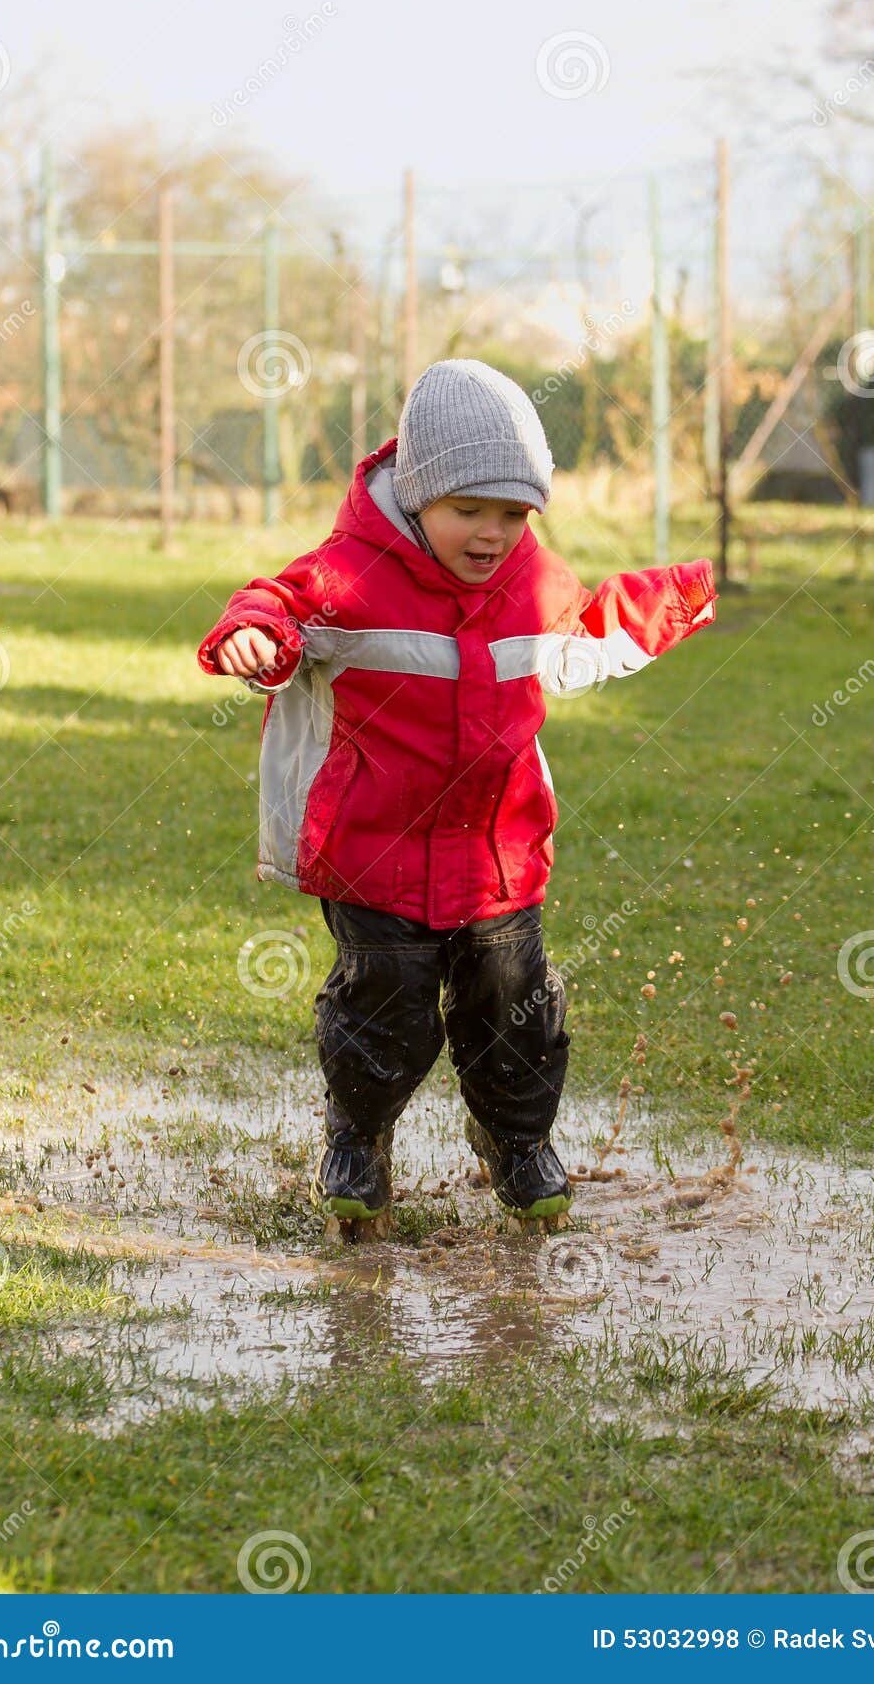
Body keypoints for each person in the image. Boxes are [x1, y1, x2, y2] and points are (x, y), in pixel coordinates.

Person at [197, 359, 716, 1229]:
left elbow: (589, 628)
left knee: (514, 1009)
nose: (492, 533)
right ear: (417, 494)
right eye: (467, 510)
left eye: (513, 513)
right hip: (372, 851)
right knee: (384, 1009)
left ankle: (516, 1143)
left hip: (499, 855)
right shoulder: (349, 577)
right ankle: (357, 1141)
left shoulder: (532, 580)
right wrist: (253, 637)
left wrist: (679, 594)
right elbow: (275, 606)